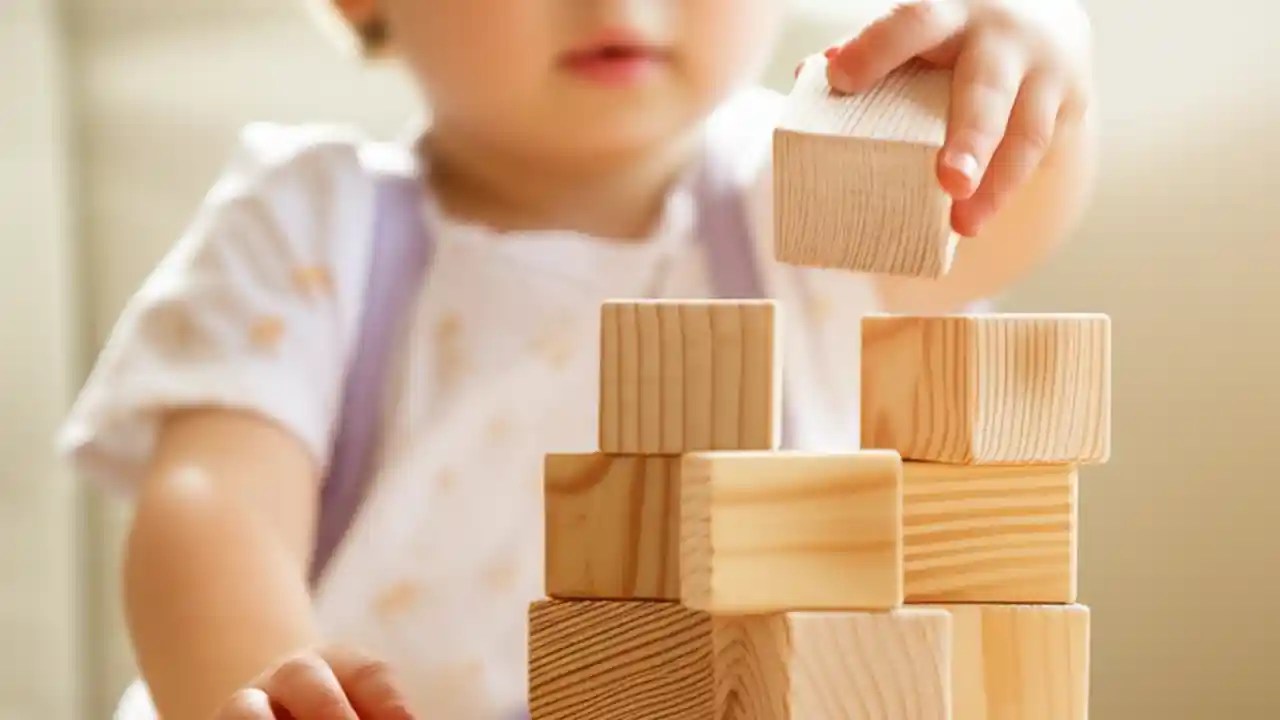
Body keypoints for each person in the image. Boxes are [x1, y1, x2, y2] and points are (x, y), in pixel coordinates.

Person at [59, 0, 1097, 718]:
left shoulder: (804, 197)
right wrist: (264, 683)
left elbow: (1000, 209)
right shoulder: (305, 220)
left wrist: (1043, 61)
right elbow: (211, 507)